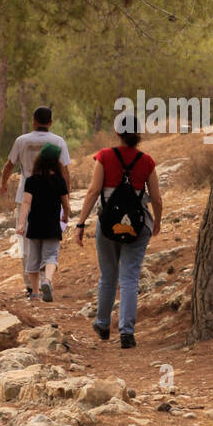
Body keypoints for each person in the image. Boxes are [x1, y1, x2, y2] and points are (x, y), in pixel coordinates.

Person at [75, 119, 162, 348]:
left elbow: (94, 190)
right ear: (138, 134)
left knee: (108, 275)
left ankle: (103, 324)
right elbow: (157, 198)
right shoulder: (147, 161)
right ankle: (126, 333)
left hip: (107, 225)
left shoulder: (104, 156)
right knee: (130, 277)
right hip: (137, 226)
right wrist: (157, 222)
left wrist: (81, 223)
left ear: (116, 132)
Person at [1, 107, 72, 297]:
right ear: (50, 122)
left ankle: (30, 286)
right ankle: (45, 281)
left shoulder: (21, 141)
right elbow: (65, 171)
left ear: (33, 121)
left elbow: (9, 165)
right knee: (50, 238)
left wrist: (4, 183)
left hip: (26, 193)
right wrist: (67, 196)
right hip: (52, 197)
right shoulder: (58, 141)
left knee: (27, 240)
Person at [16, 143, 69, 302]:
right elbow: (65, 203)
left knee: (33, 259)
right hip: (52, 225)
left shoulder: (31, 180)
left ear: (39, 160)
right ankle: (47, 280)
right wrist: (65, 216)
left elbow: (26, 203)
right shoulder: (59, 180)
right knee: (51, 256)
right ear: (56, 162)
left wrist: (21, 223)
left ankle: (34, 294)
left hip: (35, 226)